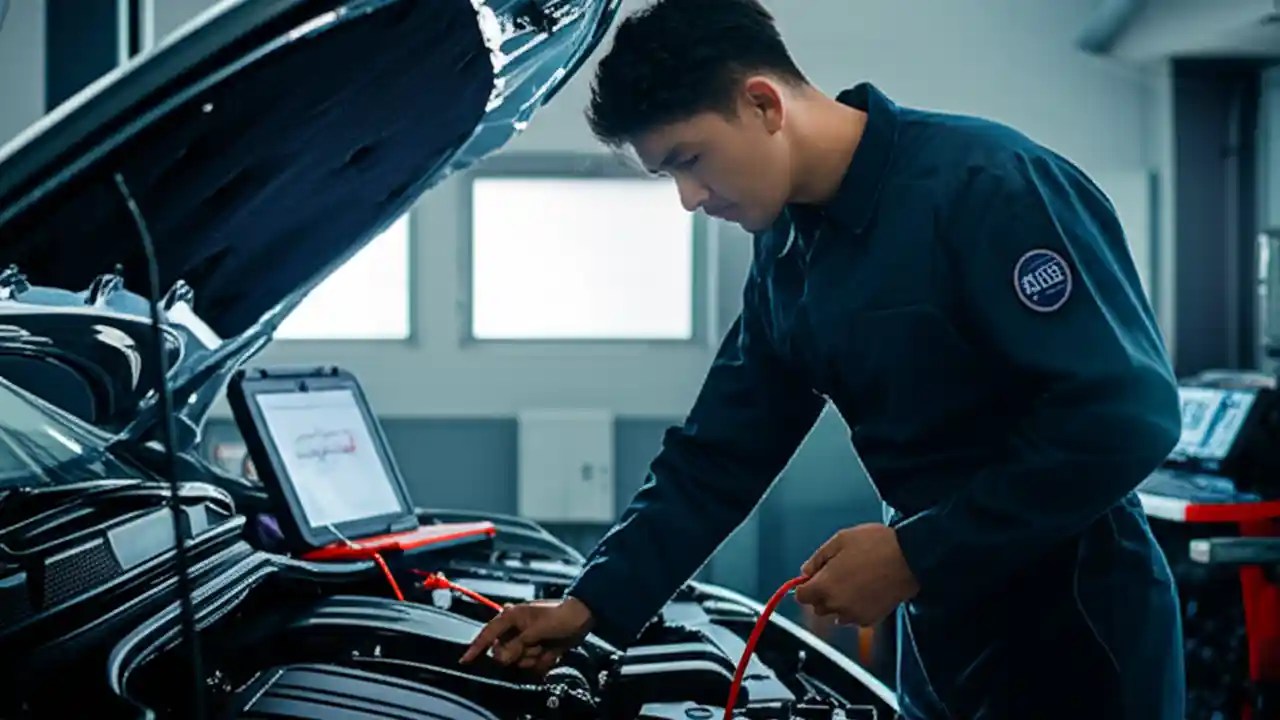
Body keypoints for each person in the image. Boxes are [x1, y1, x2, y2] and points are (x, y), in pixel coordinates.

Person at [460, 0, 1186, 717]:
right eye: (667, 176)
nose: (687, 198)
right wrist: (592, 602)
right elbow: (719, 453)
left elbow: (1126, 417)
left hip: (1077, 625)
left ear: (763, 104)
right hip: (942, 628)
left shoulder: (989, 186)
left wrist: (918, 553)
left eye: (690, 160)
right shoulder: (786, 254)